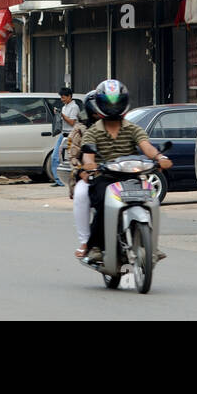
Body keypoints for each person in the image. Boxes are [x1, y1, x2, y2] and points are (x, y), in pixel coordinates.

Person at [73, 80, 172, 262]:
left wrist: (159, 158)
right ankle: (95, 246)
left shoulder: (133, 128)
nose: (113, 107)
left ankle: (151, 244)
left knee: (151, 201)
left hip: (132, 175)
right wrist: (89, 165)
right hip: (105, 177)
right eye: (108, 102)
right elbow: (88, 156)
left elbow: (146, 146)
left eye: (116, 102)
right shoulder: (92, 132)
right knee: (102, 202)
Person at [50, 87, 79, 188]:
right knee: (55, 157)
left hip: (72, 135)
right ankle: (58, 180)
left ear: (69, 96)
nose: (61, 99)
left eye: (63, 97)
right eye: (61, 97)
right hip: (63, 134)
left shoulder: (74, 107)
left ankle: (73, 180)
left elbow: (72, 122)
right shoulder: (64, 107)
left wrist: (61, 115)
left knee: (72, 159)